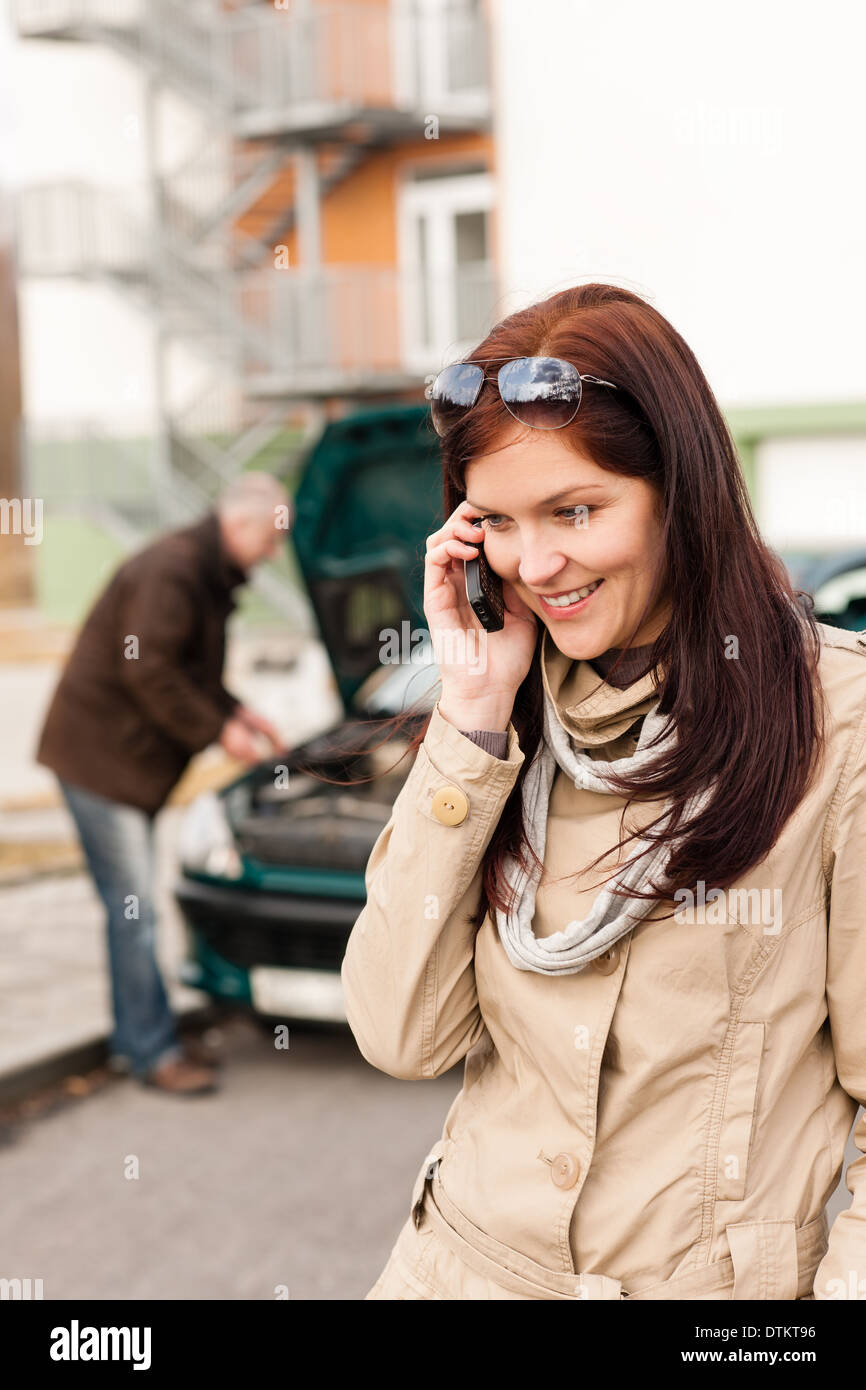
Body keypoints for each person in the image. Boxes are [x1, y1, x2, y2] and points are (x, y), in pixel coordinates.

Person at [341, 283, 866, 1300]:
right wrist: (471, 713)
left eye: (573, 511)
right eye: (493, 520)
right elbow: (399, 1034)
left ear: (680, 492)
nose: (534, 563)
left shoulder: (836, 727)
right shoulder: (499, 713)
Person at [36, 472, 292, 1095]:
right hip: (101, 766)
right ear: (239, 526)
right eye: (271, 538)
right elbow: (148, 667)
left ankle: (136, 1038)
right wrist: (216, 730)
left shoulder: (201, 572)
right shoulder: (172, 570)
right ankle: (151, 1052)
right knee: (136, 912)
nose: (274, 553)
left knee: (131, 910)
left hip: (125, 766)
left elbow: (188, 665)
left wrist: (235, 711)